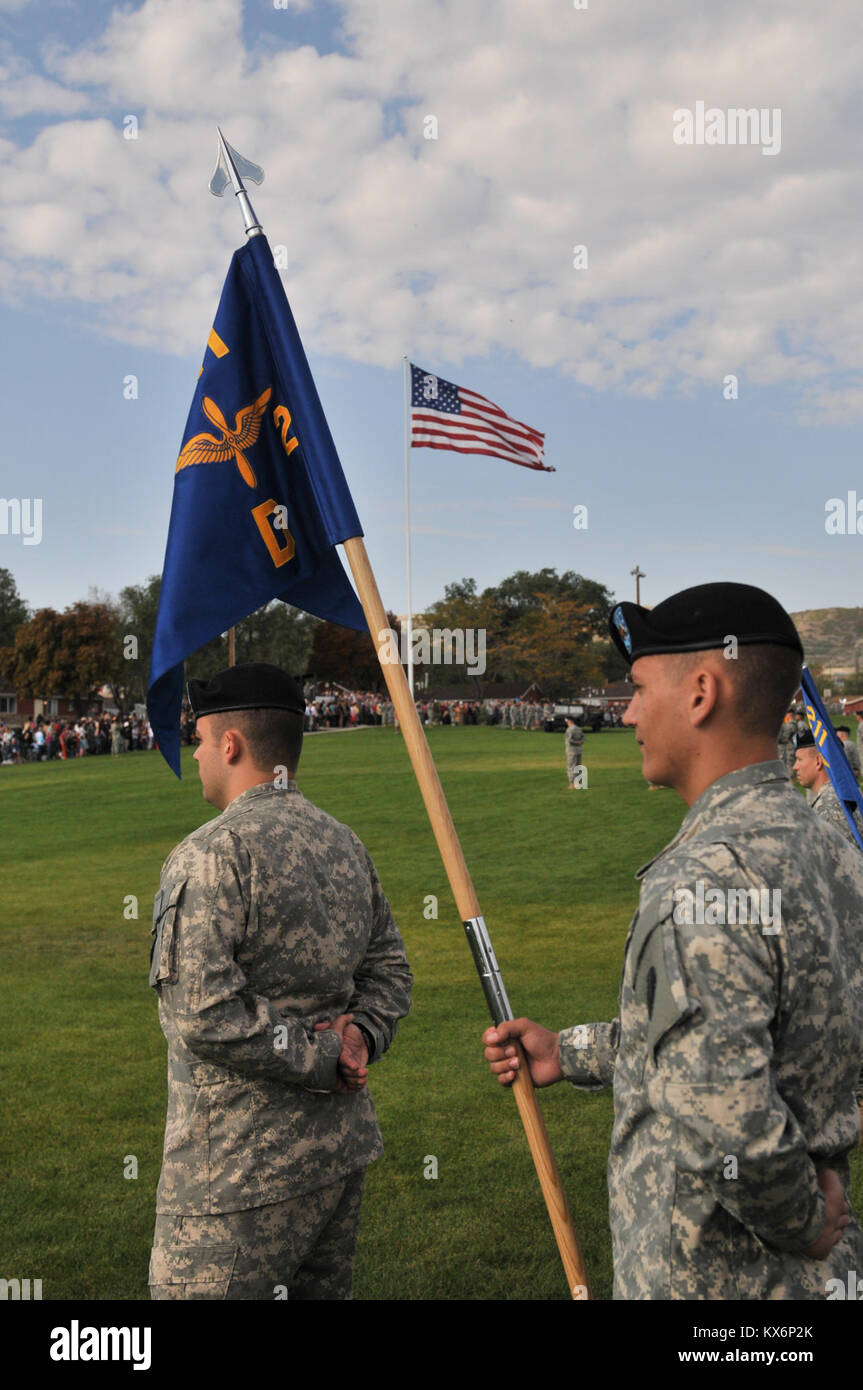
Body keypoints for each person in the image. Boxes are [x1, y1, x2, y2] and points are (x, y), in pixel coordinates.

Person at [483, 582, 863, 1299]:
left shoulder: (705, 874)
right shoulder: (833, 847)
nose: (626, 712)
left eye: (636, 687)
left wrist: (802, 1218)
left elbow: (725, 1109)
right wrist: (568, 1051)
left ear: (699, 692)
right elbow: (744, 1045)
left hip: (717, 1281)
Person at [149, 662, 413, 1300]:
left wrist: (328, 1053)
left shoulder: (213, 851)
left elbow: (203, 1013)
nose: (198, 753)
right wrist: (361, 1038)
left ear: (231, 745)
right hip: (334, 1159)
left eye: (201, 739)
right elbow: (391, 971)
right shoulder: (344, 842)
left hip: (236, 1177)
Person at [793, 729, 863, 848]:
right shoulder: (842, 793)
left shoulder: (828, 807)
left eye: (800, 759)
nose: (795, 767)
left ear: (818, 761)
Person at [563, 716, 584, 789]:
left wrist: (576, 742)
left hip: (571, 750)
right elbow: (583, 738)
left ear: (569, 721)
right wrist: (580, 742)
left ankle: (572, 784)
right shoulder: (578, 728)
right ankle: (578, 783)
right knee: (578, 766)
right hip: (579, 750)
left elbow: (569, 740)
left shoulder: (569, 729)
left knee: (571, 767)